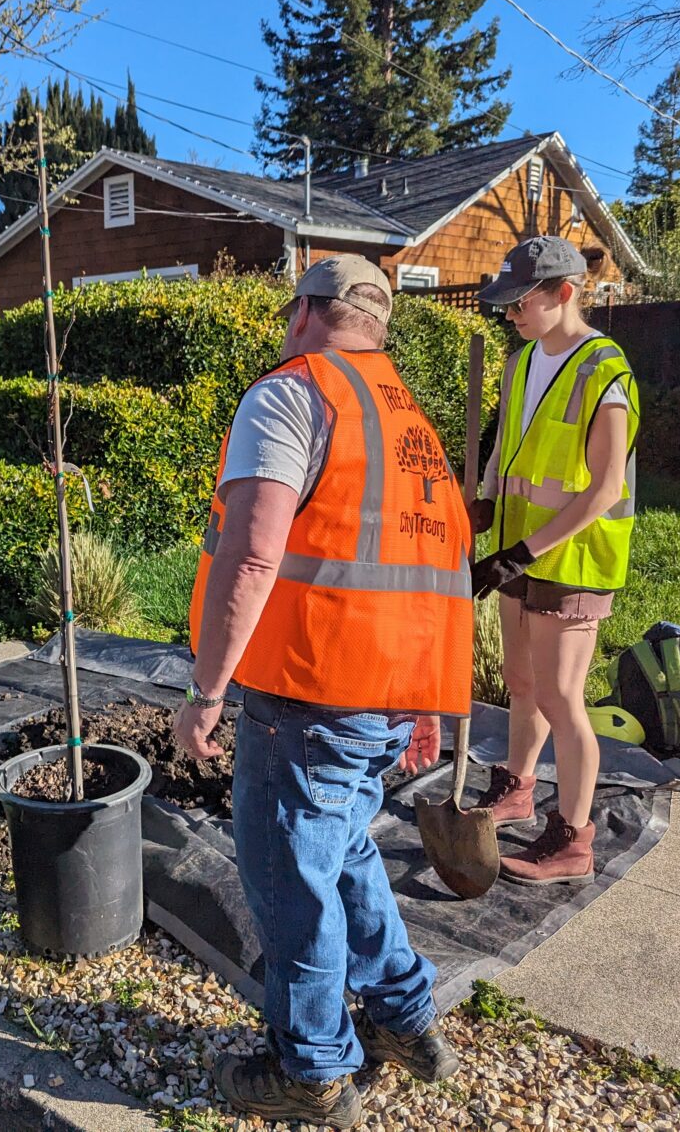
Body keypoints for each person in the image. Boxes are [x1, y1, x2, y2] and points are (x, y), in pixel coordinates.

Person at [175, 256, 474, 1129]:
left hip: (309, 691)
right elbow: (438, 567)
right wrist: (428, 699)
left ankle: (310, 1067)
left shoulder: (289, 395)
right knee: (342, 851)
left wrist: (206, 687)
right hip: (382, 695)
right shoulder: (407, 419)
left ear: (305, 312)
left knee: (288, 876)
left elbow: (254, 551)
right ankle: (406, 1018)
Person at [469, 237, 640, 886]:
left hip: (571, 560)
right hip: (514, 552)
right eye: (506, 305)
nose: (510, 314)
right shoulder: (518, 363)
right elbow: (502, 444)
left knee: (564, 697)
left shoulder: (604, 370)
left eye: (521, 302)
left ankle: (573, 838)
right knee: (521, 680)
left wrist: (520, 552)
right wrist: (485, 504)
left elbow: (602, 488)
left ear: (564, 293)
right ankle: (516, 788)